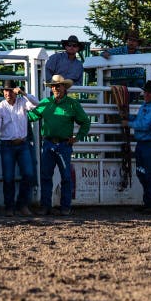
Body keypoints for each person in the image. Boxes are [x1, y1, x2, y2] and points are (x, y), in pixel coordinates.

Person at [27, 74, 90, 216]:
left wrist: (77, 137)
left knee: (65, 177)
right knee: (46, 176)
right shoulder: (46, 102)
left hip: (63, 144)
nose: (55, 88)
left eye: (58, 86)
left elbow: (85, 122)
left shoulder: (72, 104)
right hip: (49, 143)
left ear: (64, 87)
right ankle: (47, 206)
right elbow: (31, 116)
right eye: (53, 86)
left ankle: (64, 206)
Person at [0, 80, 40, 216]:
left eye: (10, 90)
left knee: (28, 174)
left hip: (22, 144)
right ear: (3, 92)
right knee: (8, 177)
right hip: (8, 145)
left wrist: (23, 93)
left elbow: (36, 103)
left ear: (15, 91)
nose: (8, 93)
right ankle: (10, 206)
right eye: (6, 90)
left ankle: (21, 204)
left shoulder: (22, 102)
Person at [122, 80, 151, 214]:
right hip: (143, 144)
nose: (146, 94)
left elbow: (145, 125)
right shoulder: (146, 106)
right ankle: (149, 202)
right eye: (145, 92)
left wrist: (128, 122)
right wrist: (129, 117)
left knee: (149, 173)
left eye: (148, 92)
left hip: (150, 143)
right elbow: (141, 120)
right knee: (142, 172)